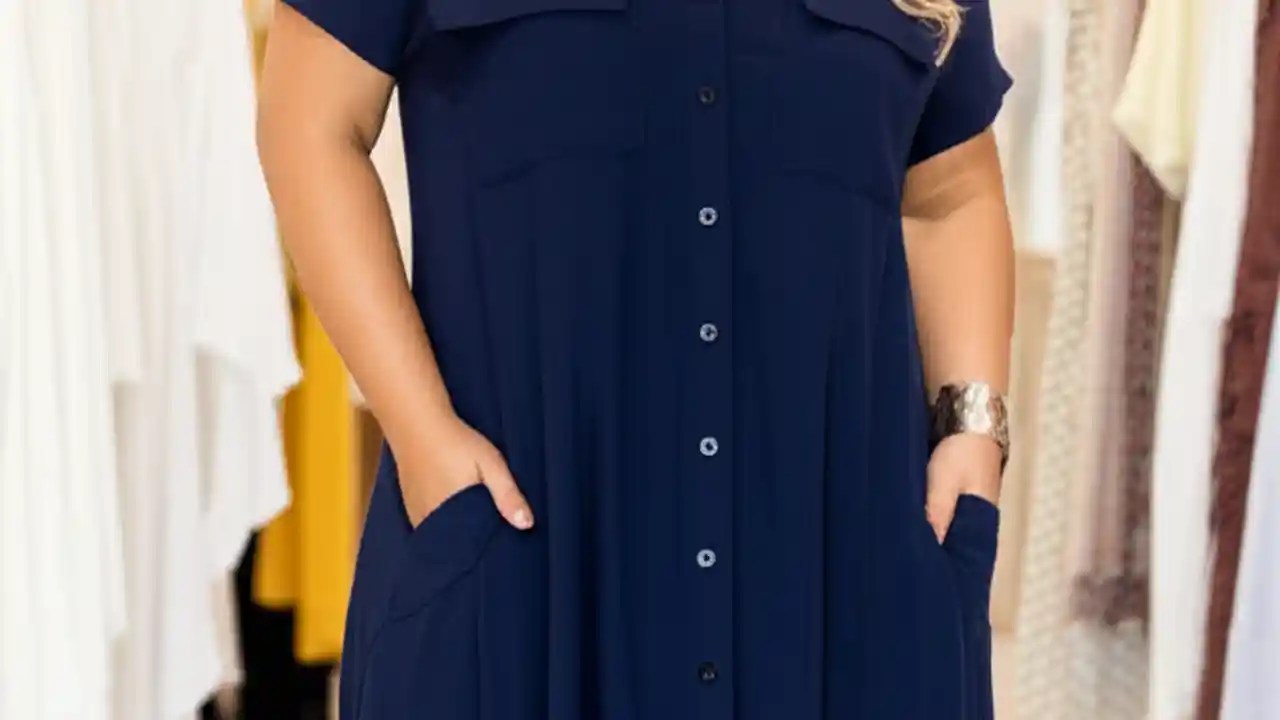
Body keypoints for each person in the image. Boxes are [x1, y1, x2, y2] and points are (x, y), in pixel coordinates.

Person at [256, 0, 1015, 717]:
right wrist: (424, 439)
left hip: (848, 576)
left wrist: (974, 427)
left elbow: (951, 191)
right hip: (524, 552)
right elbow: (311, 124)